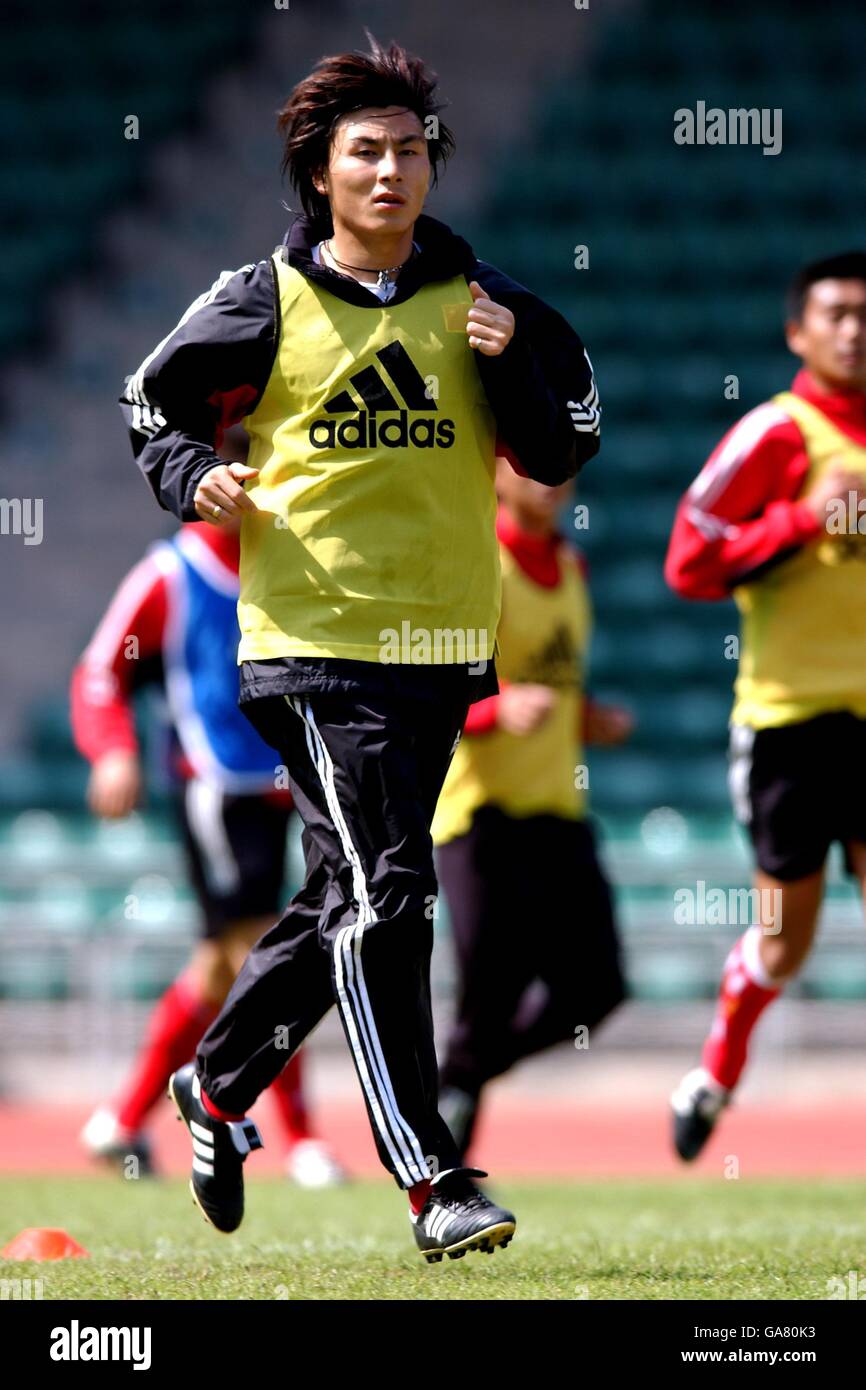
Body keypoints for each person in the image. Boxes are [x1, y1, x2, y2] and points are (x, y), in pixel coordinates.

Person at [120, 34, 600, 1262]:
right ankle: (432, 1177)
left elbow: (559, 448)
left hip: (442, 647)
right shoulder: (258, 301)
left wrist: (514, 377)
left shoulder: (493, 305)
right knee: (392, 892)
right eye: (364, 153)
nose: (391, 171)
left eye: (408, 150)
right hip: (310, 644)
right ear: (319, 174)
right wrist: (194, 472)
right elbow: (149, 401)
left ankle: (216, 1086)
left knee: (347, 897)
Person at [71, 472, 346, 1188]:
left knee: (222, 969)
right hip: (216, 793)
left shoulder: (285, 559)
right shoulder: (171, 573)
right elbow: (101, 671)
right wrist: (113, 751)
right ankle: (302, 1141)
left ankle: (123, 1120)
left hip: (287, 791)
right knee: (269, 956)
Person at [665, 251, 866, 1160]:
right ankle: (714, 1077)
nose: (854, 330)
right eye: (836, 314)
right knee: (784, 945)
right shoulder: (776, 436)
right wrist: (799, 520)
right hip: (791, 726)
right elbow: (687, 561)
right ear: (799, 331)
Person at [431, 453, 630, 1158]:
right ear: (492, 471)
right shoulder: (474, 559)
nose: (548, 477)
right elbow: (429, 684)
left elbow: (553, 685)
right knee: (486, 994)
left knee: (598, 987)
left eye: (558, 464)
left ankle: (451, 1081)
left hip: (556, 813)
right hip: (480, 816)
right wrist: (493, 709)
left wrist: (588, 719)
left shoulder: (571, 568)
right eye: (530, 461)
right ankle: (442, 1178)